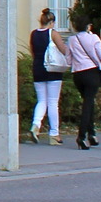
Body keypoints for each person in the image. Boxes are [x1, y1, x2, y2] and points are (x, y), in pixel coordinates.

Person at [65, 15, 101, 150]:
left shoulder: (72, 40)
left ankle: (92, 134)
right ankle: (82, 136)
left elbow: (68, 60)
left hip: (77, 74)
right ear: (88, 26)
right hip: (91, 73)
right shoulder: (94, 38)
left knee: (87, 102)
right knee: (88, 103)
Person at [28, 8, 70, 144]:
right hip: (53, 69)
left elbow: (33, 52)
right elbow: (64, 50)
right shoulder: (53, 33)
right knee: (53, 102)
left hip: (38, 68)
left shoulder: (33, 34)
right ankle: (54, 134)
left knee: (41, 100)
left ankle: (35, 126)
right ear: (51, 22)